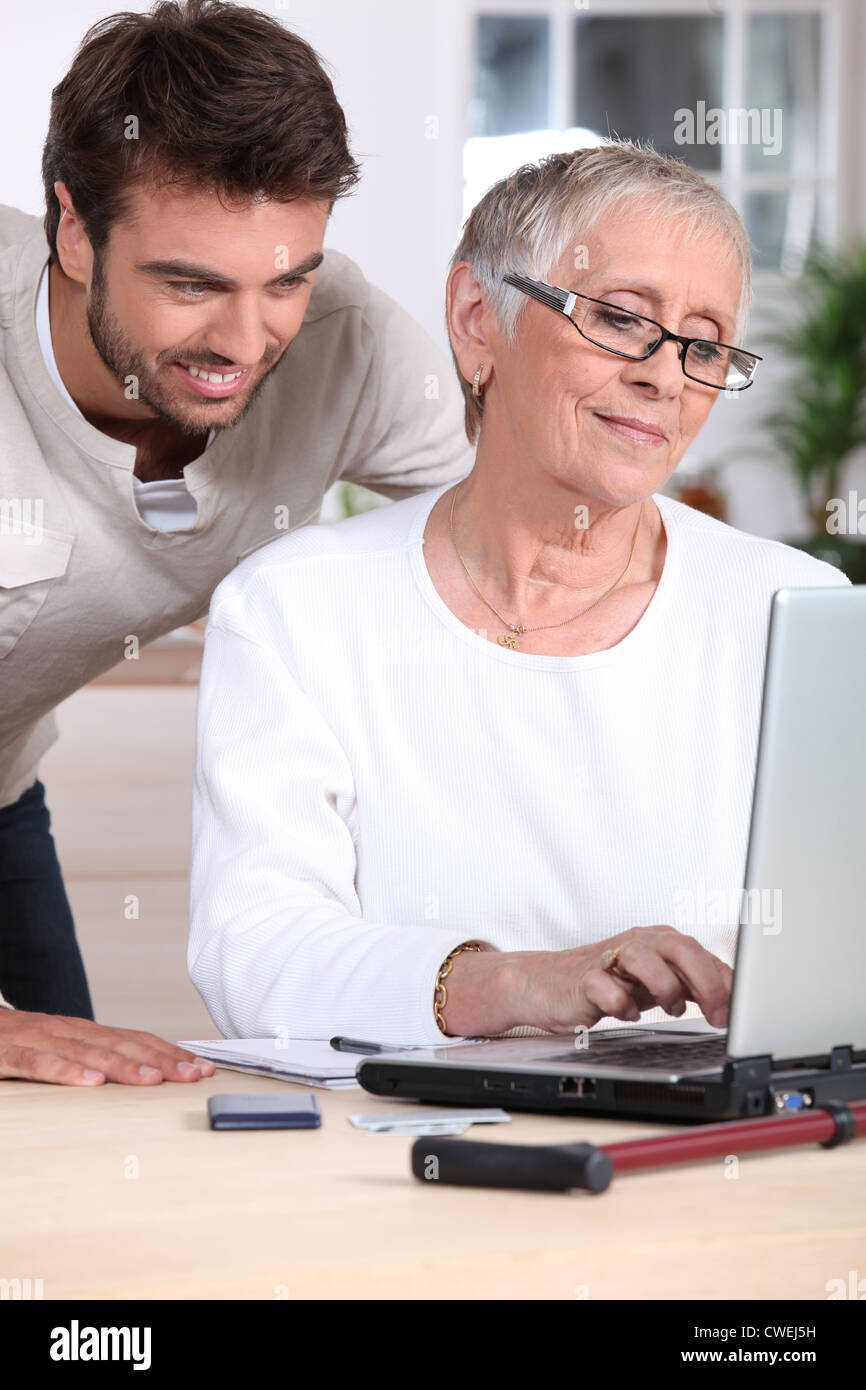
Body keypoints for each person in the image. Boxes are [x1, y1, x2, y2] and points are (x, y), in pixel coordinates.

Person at [186, 138, 851, 1046]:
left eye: (705, 343)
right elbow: (254, 954)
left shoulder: (793, 611)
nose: (664, 375)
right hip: (399, 1158)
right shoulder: (293, 609)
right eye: (621, 318)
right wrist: (518, 984)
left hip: (716, 1155)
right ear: (476, 319)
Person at [0, 0, 472, 1082]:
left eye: (285, 280)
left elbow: (508, 537)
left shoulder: (344, 343)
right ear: (74, 231)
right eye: (190, 284)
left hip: (2, 785)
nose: (245, 343)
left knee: (76, 1123)